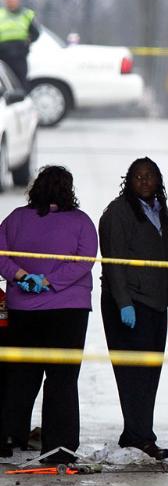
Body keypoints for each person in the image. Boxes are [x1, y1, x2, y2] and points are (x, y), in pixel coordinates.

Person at [99, 157, 168, 461]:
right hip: (128, 306)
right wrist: (124, 303)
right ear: (128, 180)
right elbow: (114, 262)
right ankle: (142, 437)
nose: (143, 181)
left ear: (158, 181)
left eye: (149, 176)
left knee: (149, 373)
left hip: (156, 306)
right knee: (133, 374)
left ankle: (135, 433)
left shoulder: (161, 217)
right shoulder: (118, 212)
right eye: (138, 176)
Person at [0, 166, 97, 462]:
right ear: (69, 190)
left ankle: (8, 436)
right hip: (68, 311)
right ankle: (59, 447)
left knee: (20, 377)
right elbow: (85, 260)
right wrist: (52, 282)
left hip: (24, 311)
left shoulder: (16, 218)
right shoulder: (81, 222)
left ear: (36, 188)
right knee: (62, 380)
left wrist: (21, 276)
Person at [0, 0, 40, 89]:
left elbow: (35, 33)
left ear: (18, 0)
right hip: (3, 56)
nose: (11, 2)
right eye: (9, 0)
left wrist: (27, 42)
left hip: (19, 56)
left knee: (21, 83)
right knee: (4, 85)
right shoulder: (1, 14)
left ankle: (21, 102)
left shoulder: (26, 14)